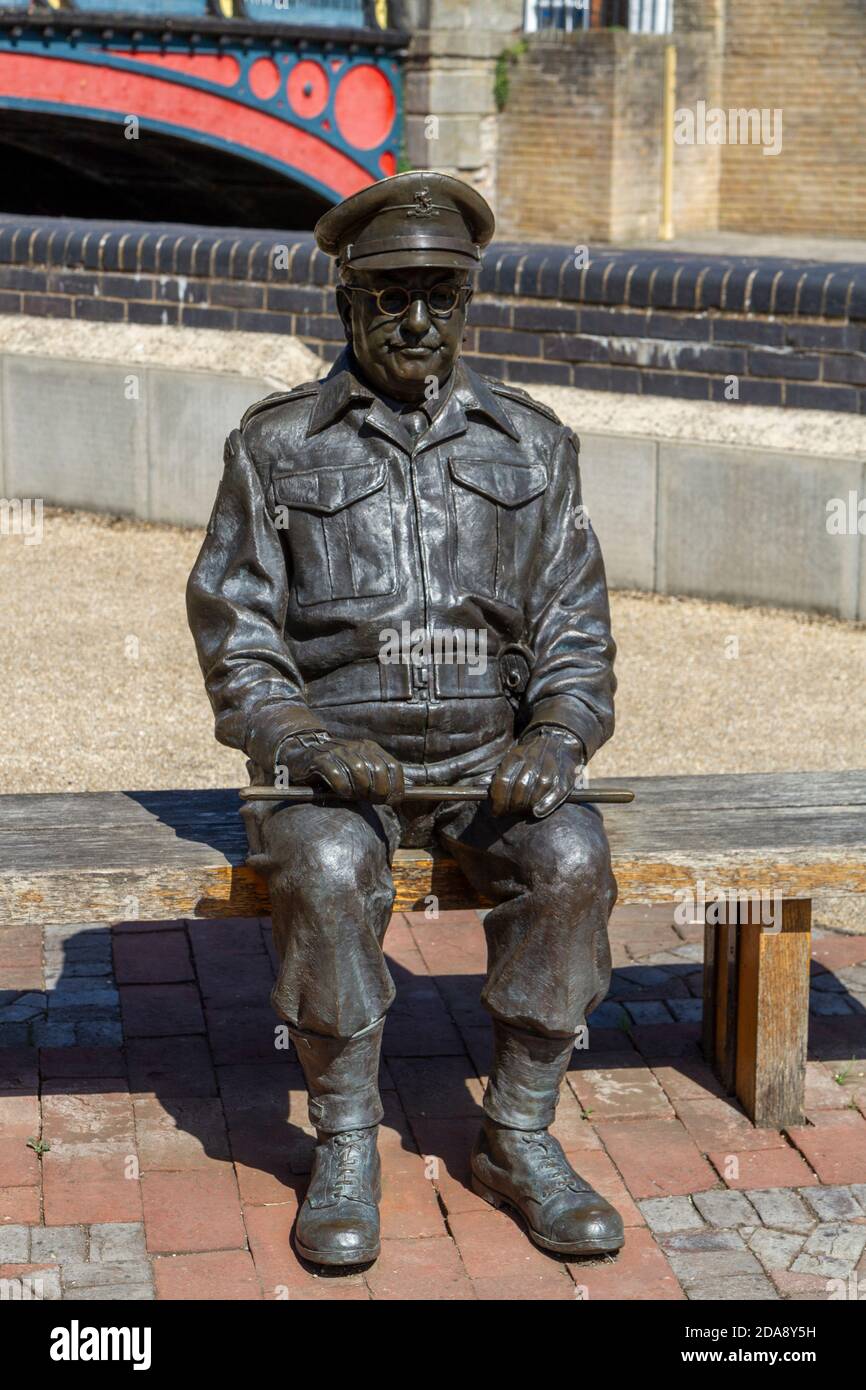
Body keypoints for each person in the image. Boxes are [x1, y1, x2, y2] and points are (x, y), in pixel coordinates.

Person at [187, 171, 623, 1267]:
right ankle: (343, 1143)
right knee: (329, 869)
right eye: (390, 296)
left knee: (572, 857)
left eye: (441, 295)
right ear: (346, 302)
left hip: (489, 758)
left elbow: (575, 627)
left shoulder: (533, 444)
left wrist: (556, 735)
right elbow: (238, 634)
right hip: (332, 765)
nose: (418, 320)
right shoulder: (275, 445)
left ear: (468, 303)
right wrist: (302, 740)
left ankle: (517, 1135)